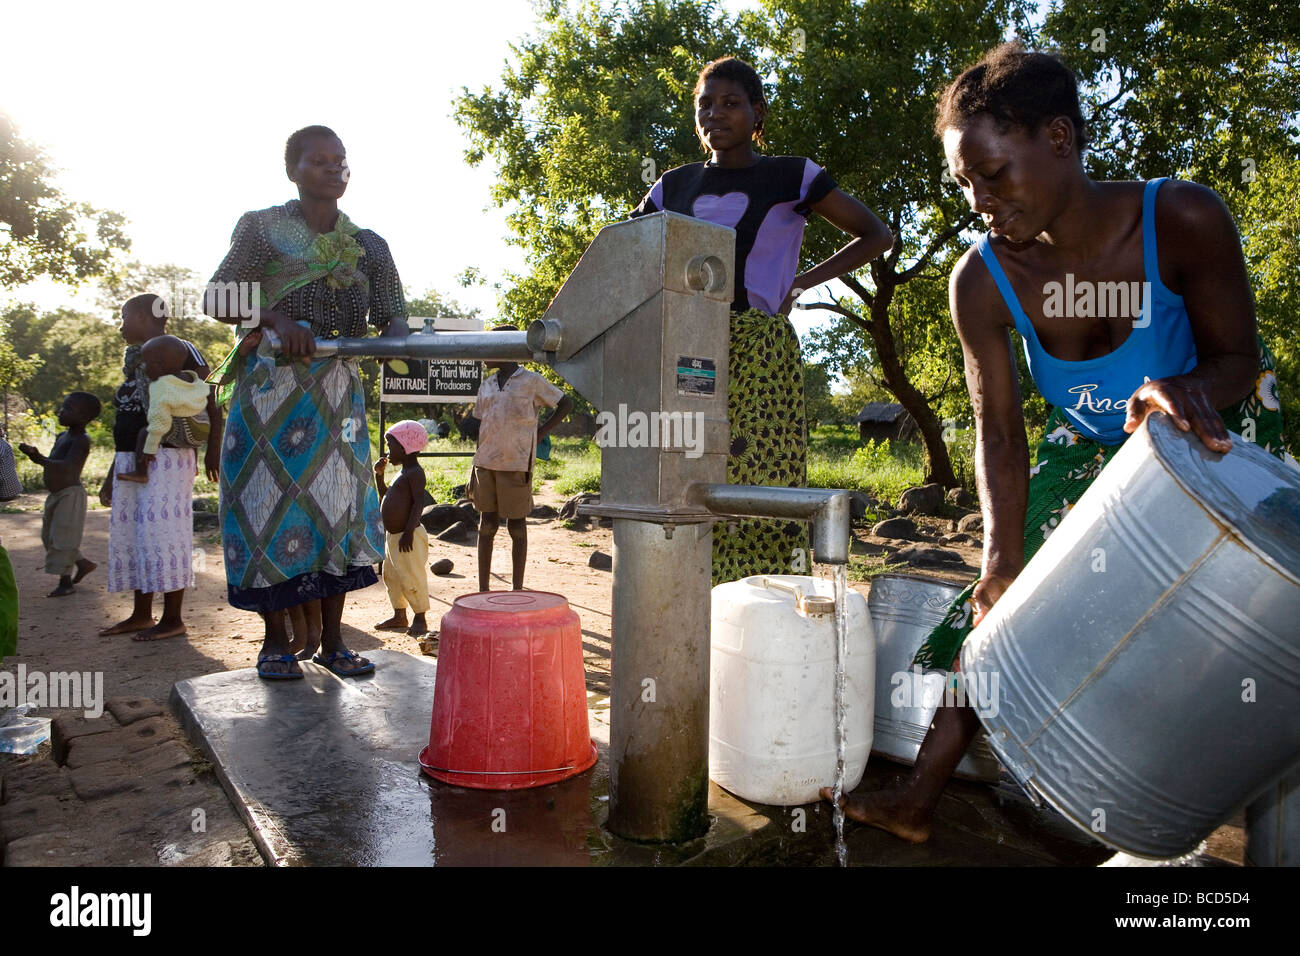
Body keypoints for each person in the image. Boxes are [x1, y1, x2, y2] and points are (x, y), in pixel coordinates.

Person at [822, 42, 1292, 842]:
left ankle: (1229, 821)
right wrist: (1001, 554)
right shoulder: (981, 281)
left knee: (1237, 625)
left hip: (1218, 425)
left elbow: (1239, 361)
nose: (979, 200)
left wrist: (1185, 390)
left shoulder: (1180, 217)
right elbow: (999, 433)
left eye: (993, 175)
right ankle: (916, 801)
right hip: (1093, 441)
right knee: (1005, 601)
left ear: (1060, 140)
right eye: (965, 184)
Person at [631, 56, 893, 585]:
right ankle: (685, 594)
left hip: (757, 349)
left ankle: (761, 596)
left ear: (758, 113)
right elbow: (629, 255)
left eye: (730, 103)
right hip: (683, 349)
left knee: (757, 469)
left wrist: (800, 282)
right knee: (686, 465)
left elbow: (877, 235)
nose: (715, 115)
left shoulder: (792, 175)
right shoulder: (671, 187)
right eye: (704, 105)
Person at [204, 124, 406, 679]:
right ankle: (275, 642)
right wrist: (275, 319)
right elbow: (217, 297)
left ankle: (335, 642)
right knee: (267, 509)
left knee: (336, 512)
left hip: (338, 396)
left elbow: (393, 314)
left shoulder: (369, 245)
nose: (334, 168)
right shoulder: (262, 228)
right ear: (292, 170)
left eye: (341, 161)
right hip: (270, 391)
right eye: (319, 160)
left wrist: (398, 341)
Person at [99, 294, 220, 642]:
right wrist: (113, 470)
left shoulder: (180, 348)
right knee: (136, 537)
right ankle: (141, 614)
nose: (121, 325)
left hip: (166, 457)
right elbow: (133, 416)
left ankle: (172, 618)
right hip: (132, 456)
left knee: (164, 537)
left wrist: (213, 448)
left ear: (140, 316)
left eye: (124, 317)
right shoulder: (135, 358)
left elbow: (207, 395)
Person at [471, 326, 573, 591]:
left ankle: (517, 588)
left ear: (504, 349)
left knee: (516, 525)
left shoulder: (531, 381)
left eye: (488, 349)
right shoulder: (487, 384)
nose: (483, 355)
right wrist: (474, 466)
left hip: (515, 463)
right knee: (487, 525)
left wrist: (541, 432)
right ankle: (483, 589)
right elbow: (483, 426)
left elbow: (565, 403)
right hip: (485, 464)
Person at [17, 392, 101, 597]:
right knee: (49, 536)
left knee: (63, 538)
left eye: (67, 409)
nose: (60, 412)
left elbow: (67, 467)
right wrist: (39, 458)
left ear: (82, 418)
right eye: (62, 407)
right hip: (55, 494)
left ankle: (65, 582)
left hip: (70, 495)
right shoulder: (63, 436)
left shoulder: (82, 440)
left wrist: (39, 458)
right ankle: (82, 563)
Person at [116, 336, 212, 483]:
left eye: (146, 363)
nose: (145, 367)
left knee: (144, 432)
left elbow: (159, 421)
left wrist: (149, 448)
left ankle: (141, 472)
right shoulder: (190, 378)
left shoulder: (160, 387)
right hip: (201, 430)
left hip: (183, 433)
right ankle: (194, 466)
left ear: (159, 366)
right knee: (186, 415)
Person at [374, 420, 431, 636]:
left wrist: (408, 533)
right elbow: (385, 495)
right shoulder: (402, 473)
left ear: (406, 447)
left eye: (391, 446)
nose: (388, 451)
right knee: (393, 577)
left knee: (411, 575)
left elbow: (418, 503)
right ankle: (399, 614)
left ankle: (420, 617)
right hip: (394, 537)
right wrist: (379, 476)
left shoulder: (415, 473)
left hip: (408, 538)